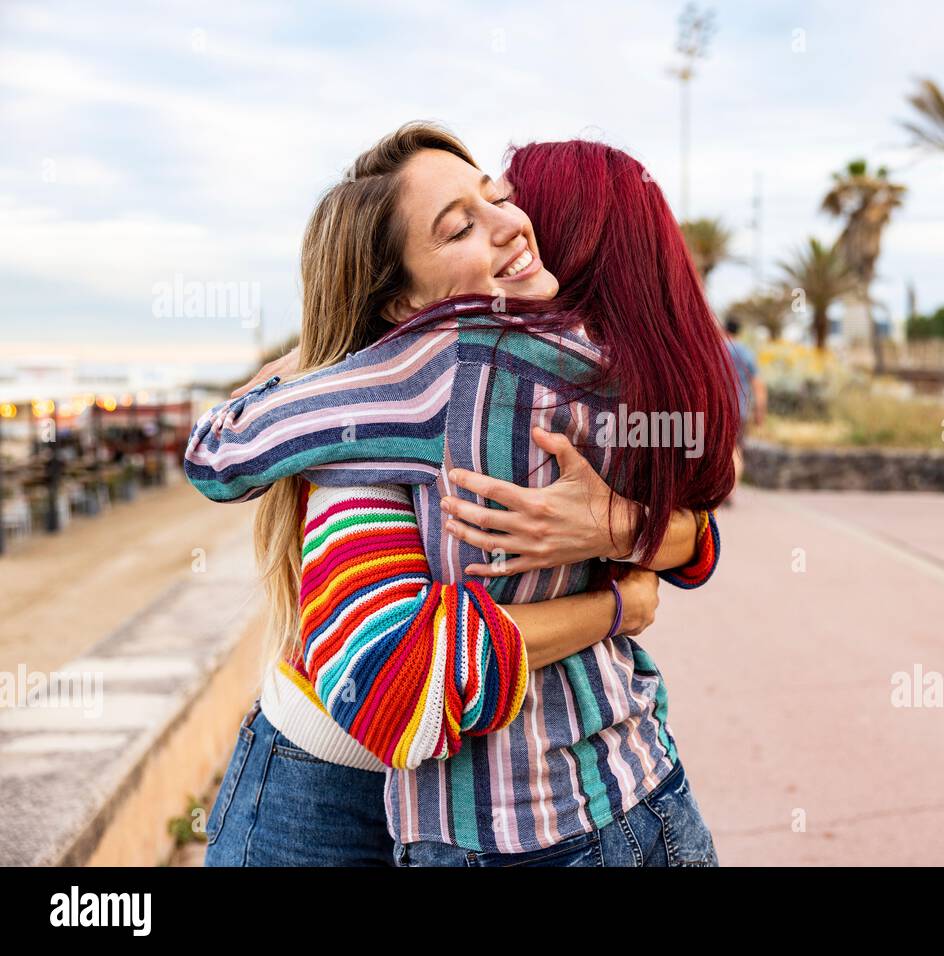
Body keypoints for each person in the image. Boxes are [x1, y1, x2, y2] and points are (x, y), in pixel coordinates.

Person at [186, 125, 738, 866]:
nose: (511, 224)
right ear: (399, 301)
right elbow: (399, 680)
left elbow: (217, 453)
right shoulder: (585, 375)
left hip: (500, 812)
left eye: (500, 199)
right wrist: (615, 607)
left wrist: (614, 527)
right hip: (335, 785)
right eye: (462, 225)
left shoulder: (467, 376)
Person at [723, 317, 765, 496]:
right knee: (736, 450)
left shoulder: (714, 348)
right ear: (739, 332)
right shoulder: (746, 354)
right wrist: (759, 411)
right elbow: (758, 385)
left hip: (715, 410)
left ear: (724, 330)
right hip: (739, 409)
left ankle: (716, 490)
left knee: (717, 450)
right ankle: (730, 491)